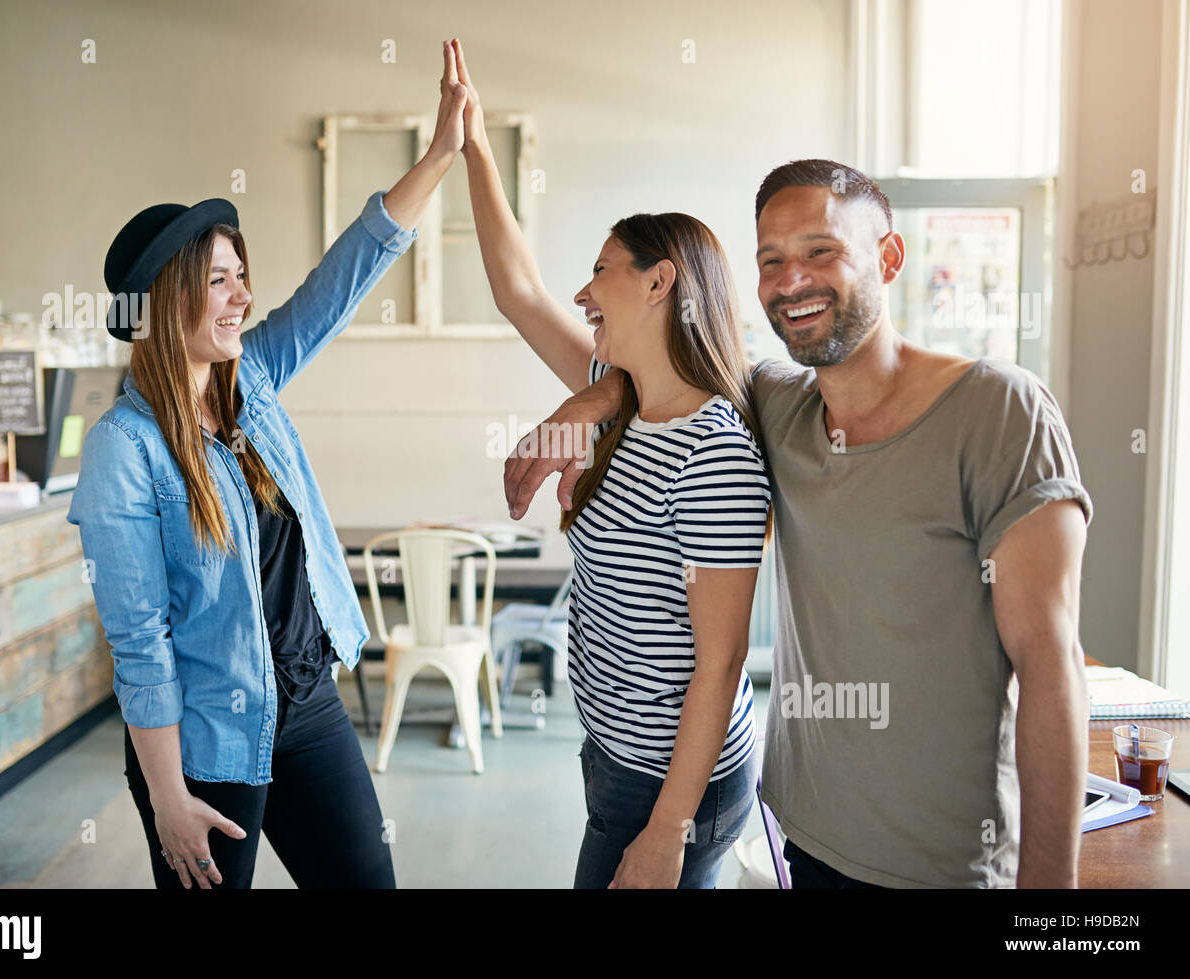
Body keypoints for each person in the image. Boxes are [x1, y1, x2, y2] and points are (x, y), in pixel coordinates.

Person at [504, 158, 1093, 889]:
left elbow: (1051, 669)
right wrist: (590, 400)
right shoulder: (781, 407)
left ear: (888, 257)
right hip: (802, 839)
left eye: (821, 251)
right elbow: (672, 370)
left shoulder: (1000, 410)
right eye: (770, 261)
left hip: (943, 867)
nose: (791, 280)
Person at [67, 42, 470, 890]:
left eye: (241, 275)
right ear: (168, 298)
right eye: (219, 281)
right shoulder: (123, 449)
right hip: (208, 739)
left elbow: (342, 280)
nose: (242, 296)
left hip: (310, 709)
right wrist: (167, 794)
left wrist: (438, 157)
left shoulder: (256, 383)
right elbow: (139, 641)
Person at [452, 40, 769, 889]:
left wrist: (668, 828)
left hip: (674, 787)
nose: (584, 292)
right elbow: (517, 290)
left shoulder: (713, 451)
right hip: (613, 752)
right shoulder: (618, 393)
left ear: (661, 281)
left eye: (600, 272)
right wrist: (475, 147)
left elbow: (723, 656)